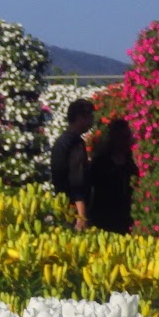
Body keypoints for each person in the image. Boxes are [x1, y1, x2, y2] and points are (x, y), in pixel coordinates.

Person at [50, 99, 95, 230]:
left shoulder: (61, 141)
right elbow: (76, 179)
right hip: (73, 210)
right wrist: (81, 215)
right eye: (90, 117)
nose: (92, 122)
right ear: (80, 117)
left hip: (62, 204)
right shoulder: (75, 143)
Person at [88, 118, 135, 233]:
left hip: (125, 212)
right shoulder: (101, 160)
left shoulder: (131, 159)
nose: (125, 141)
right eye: (122, 137)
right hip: (104, 212)